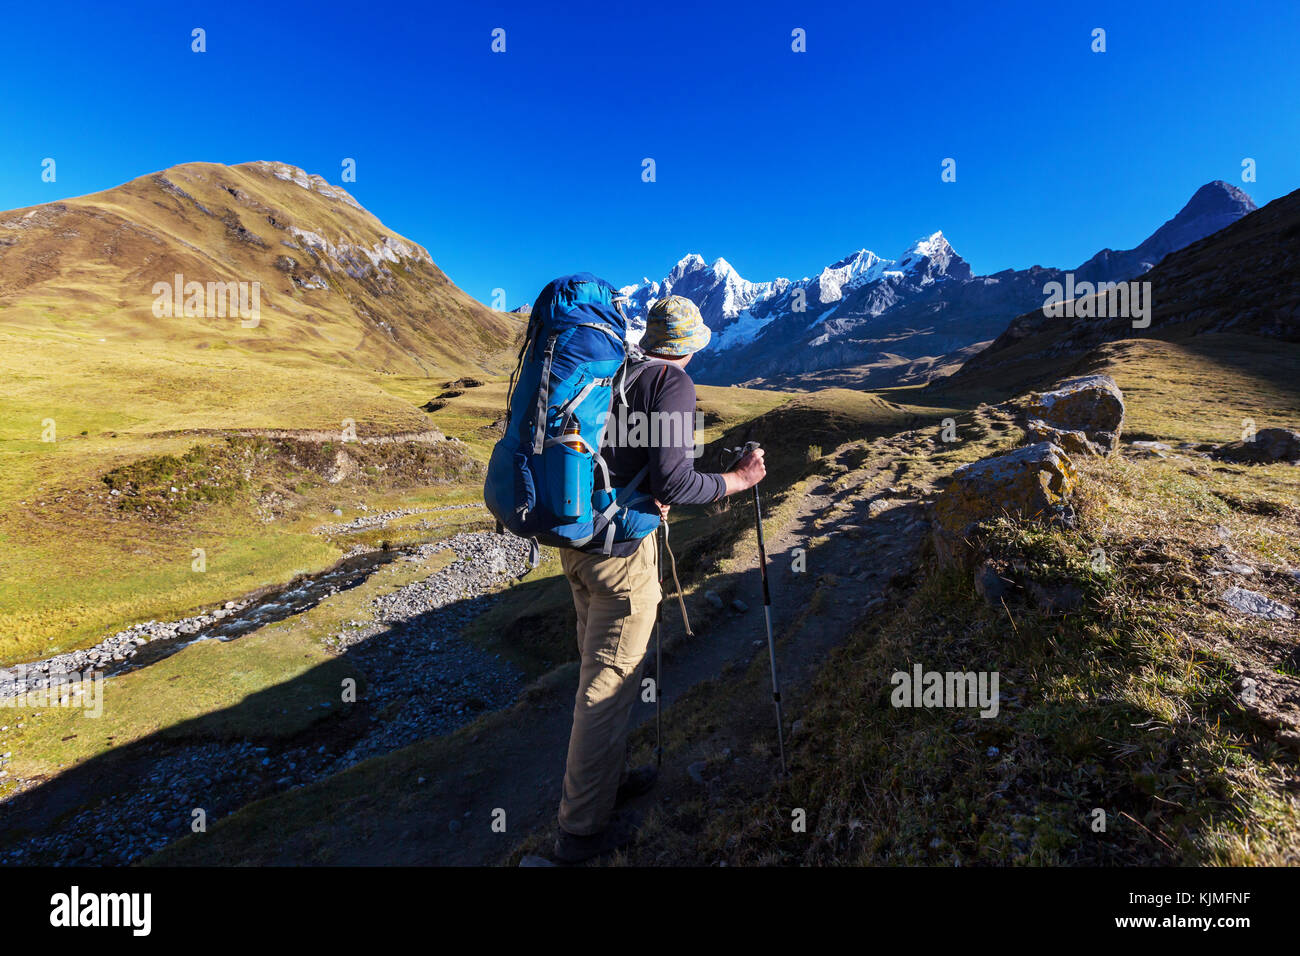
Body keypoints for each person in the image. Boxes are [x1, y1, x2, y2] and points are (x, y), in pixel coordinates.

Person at [553, 294, 766, 864]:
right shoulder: (670, 384)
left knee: (594, 673)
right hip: (622, 557)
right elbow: (675, 483)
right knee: (610, 687)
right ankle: (580, 836)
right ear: (692, 343)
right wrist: (739, 482)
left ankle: (599, 787)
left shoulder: (616, 372)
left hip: (580, 545)